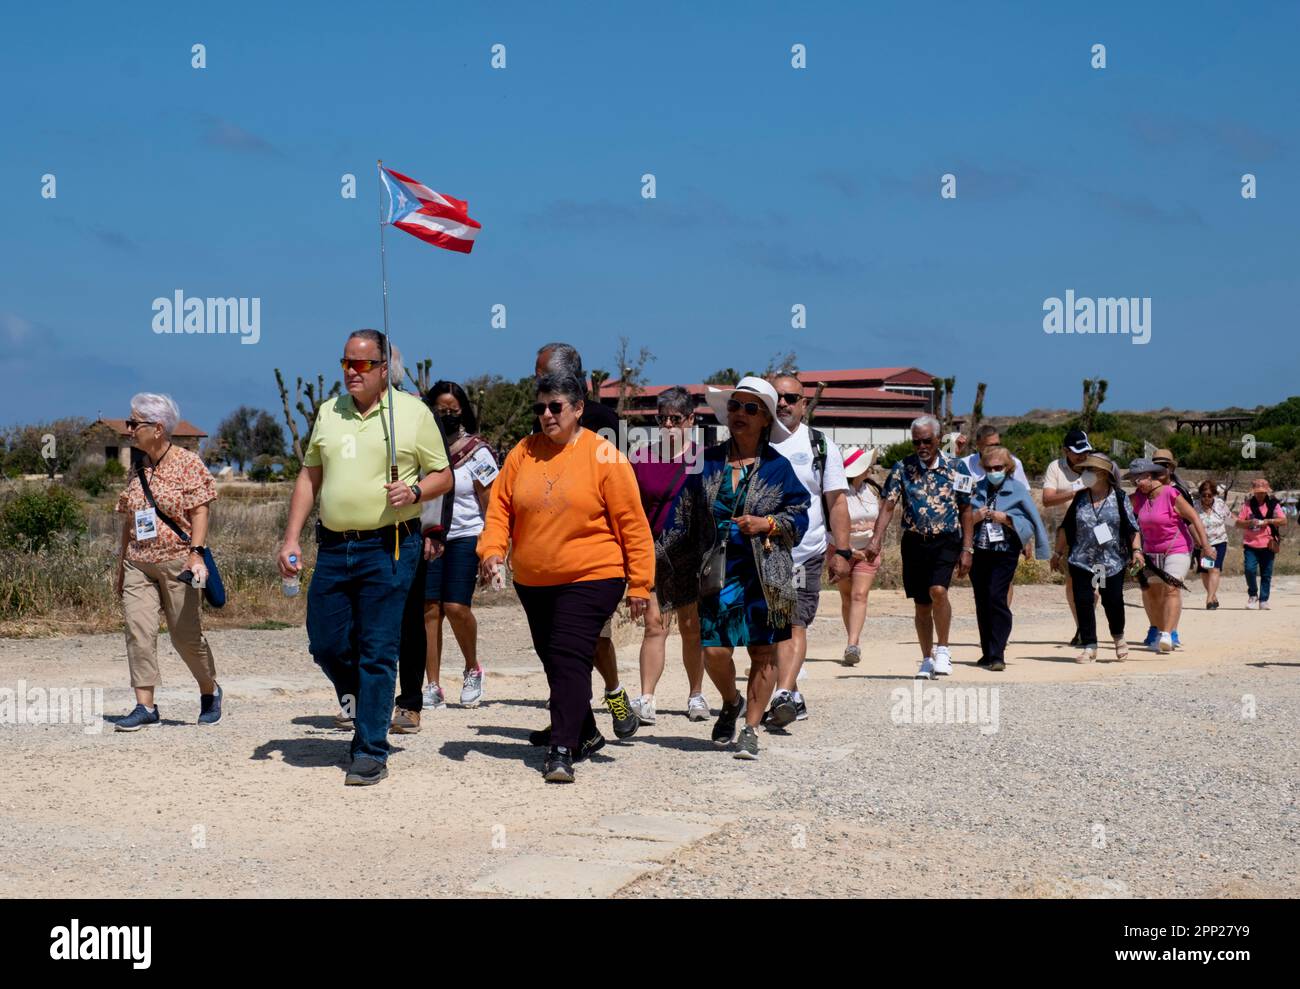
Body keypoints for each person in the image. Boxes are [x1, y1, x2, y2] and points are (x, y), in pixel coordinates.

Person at [277, 329, 451, 786]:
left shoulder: (411, 414)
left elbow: (443, 475)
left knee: (379, 648)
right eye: (346, 364)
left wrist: (413, 490)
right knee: (326, 641)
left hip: (390, 545)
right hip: (334, 546)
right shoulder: (328, 413)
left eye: (362, 364)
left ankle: (371, 748)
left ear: (382, 368)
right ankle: (364, 702)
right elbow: (309, 477)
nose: (352, 372)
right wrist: (290, 538)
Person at [478, 372, 654, 783]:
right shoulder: (523, 452)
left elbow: (633, 525)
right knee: (555, 661)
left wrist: (640, 583)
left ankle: (562, 748)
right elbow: (500, 509)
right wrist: (491, 551)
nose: (546, 415)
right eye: (539, 408)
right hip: (535, 580)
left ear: (577, 409)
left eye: (555, 406)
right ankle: (587, 732)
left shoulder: (604, 456)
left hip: (593, 573)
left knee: (568, 655)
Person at [655, 377, 809, 761]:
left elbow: (798, 514)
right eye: (735, 407)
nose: (739, 414)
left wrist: (767, 524)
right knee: (715, 652)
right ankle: (731, 700)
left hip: (765, 572)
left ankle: (751, 729)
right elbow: (681, 520)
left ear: (765, 419)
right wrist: (654, 563)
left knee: (763, 652)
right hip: (716, 573)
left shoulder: (779, 468)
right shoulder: (706, 463)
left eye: (750, 409)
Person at [532, 342, 638, 739]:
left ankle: (613, 697)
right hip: (550, 555)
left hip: (594, 558)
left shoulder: (604, 422)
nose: (536, 386)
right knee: (558, 647)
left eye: (540, 374)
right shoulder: (542, 418)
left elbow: (623, 489)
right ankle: (573, 720)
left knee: (593, 640)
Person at [112, 393, 222, 730]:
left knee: (185, 636)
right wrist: (121, 568)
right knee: (138, 631)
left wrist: (196, 554)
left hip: (179, 562)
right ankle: (145, 706)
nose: (128, 429)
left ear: (157, 428)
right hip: (138, 563)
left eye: (134, 423)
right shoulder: (138, 468)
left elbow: (200, 511)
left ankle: (209, 690)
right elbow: (130, 523)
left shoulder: (188, 463)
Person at [765, 374, 851, 727]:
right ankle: (793, 694)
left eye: (790, 398)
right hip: (763, 553)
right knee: (773, 625)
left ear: (804, 403)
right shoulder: (753, 440)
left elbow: (837, 502)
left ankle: (782, 693)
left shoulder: (821, 446)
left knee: (795, 620)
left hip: (805, 552)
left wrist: (842, 551)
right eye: (777, 397)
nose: (783, 403)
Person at [864, 415, 974, 679]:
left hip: (946, 539)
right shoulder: (902, 468)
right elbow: (888, 505)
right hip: (914, 542)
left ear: (938, 439)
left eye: (927, 441)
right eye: (917, 442)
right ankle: (927, 658)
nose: (922, 446)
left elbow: (967, 508)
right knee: (922, 604)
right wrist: (876, 538)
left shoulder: (958, 468)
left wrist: (967, 549)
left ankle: (944, 649)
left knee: (938, 590)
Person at [411, 381, 496, 717]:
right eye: (440, 409)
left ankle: (472, 667)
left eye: (452, 410)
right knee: (429, 610)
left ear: (463, 411)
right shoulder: (421, 449)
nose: (446, 415)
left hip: (466, 535)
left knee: (456, 606)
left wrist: (492, 547)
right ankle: (432, 685)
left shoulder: (477, 452)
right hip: (430, 535)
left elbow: (491, 503)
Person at [629, 387, 707, 725]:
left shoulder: (705, 459)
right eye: (662, 419)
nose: (669, 426)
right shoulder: (641, 459)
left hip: (691, 555)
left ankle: (696, 695)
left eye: (676, 419)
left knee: (692, 628)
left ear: (691, 419)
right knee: (654, 626)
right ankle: (646, 698)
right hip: (651, 550)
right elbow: (631, 510)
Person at [967, 444, 1051, 671]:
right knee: (982, 601)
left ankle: (998, 653)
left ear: (1008, 467)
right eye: (990, 467)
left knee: (996, 597)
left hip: (1005, 553)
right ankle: (987, 652)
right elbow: (962, 519)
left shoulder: (1018, 490)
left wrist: (1008, 519)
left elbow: (1030, 521)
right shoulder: (976, 489)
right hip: (979, 552)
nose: (994, 470)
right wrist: (975, 517)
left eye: (999, 467)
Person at [1052, 454, 1143, 663]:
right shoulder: (1080, 498)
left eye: (1089, 471)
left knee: (1111, 601)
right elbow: (1067, 527)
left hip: (1109, 562)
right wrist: (1057, 553)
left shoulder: (1119, 497)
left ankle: (1118, 637)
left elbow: (1132, 528)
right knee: (1083, 600)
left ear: (1103, 474)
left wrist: (1137, 551)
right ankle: (1090, 646)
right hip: (1082, 560)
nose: (1085, 475)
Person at [1125, 457, 1212, 654]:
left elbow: (1194, 518)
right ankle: (1157, 629)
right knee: (1152, 593)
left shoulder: (1171, 494)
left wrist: (1205, 545)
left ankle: (1167, 634)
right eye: (1132, 481)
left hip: (1176, 548)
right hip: (1149, 551)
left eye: (1137, 479)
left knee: (1171, 588)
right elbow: (1123, 517)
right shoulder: (1138, 498)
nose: (1135, 484)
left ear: (1148, 475)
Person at [829, 448, 884, 667]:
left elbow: (881, 519)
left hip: (868, 553)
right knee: (846, 597)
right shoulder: (837, 492)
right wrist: (848, 550)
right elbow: (831, 526)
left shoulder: (872, 490)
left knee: (859, 595)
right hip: (842, 551)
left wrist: (874, 543)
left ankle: (853, 644)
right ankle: (853, 638)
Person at [1041, 429, 1095, 646]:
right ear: (1065, 451)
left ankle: (1086, 626)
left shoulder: (1094, 467)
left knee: (1094, 587)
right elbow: (1047, 499)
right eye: (1077, 452)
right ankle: (1083, 628)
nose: (1082, 456)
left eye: (1085, 451)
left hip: (1094, 534)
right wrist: (1076, 491)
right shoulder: (1055, 467)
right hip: (1067, 534)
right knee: (1072, 583)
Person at [1236, 477, 1287, 610]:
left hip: (1268, 544)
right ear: (1253, 492)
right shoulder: (1247, 505)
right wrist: (1249, 523)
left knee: (1266, 573)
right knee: (1249, 570)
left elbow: (1283, 521)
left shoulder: (1273, 504)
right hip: (1250, 544)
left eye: (1263, 492)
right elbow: (1237, 523)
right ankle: (1253, 595)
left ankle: (1264, 599)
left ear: (1267, 492)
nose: (1260, 495)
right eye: (1258, 492)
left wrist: (1269, 521)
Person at [1195, 479, 1230, 610]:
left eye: (1210, 495)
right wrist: (1200, 544)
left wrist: (1242, 524)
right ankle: (1213, 595)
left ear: (1214, 495)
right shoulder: (1195, 506)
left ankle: (1209, 599)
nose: (1207, 498)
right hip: (1202, 543)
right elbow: (1190, 524)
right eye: (1204, 495)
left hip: (1219, 541)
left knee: (1215, 569)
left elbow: (1229, 519)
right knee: (1205, 571)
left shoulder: (1220, 504)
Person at [963, 424, 1030, 488]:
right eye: (990, 445)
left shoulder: (1013, 463)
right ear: (978, 445)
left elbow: (1024, 491)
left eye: (997, 444)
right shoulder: (965, 464)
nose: (995, 449)